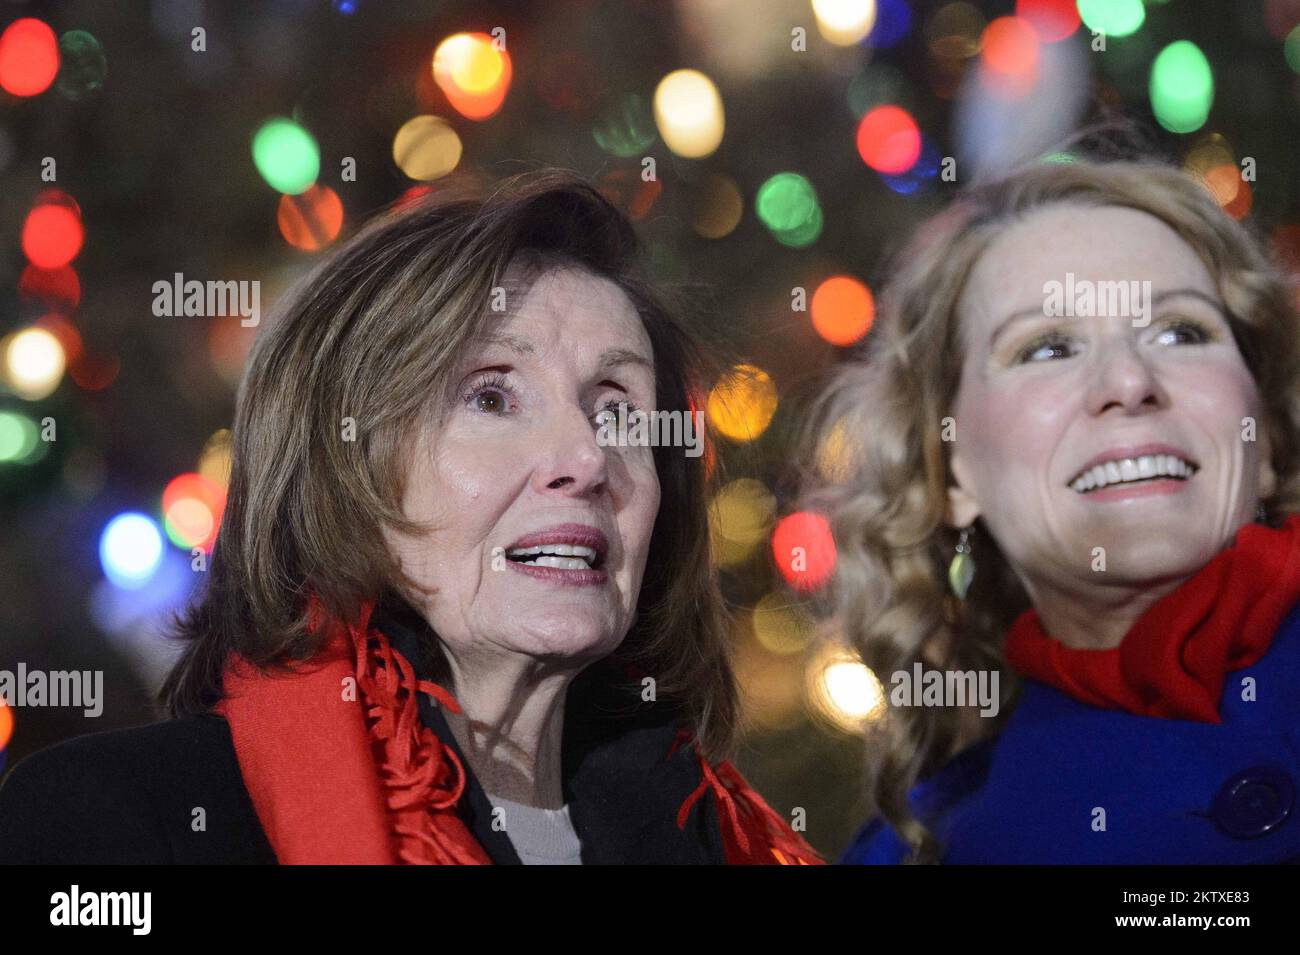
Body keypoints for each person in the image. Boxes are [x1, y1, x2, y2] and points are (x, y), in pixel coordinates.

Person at [0, 171, 821, 866]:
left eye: (618, 413)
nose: (587, 457)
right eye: (492, 395)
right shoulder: (114, 826)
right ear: (341, 466)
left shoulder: (717, 843)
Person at [802, 159, 1300, 863]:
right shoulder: (924, 850)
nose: (1128, 382)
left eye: (1179, 332)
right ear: (952, 474)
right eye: (1048, 346)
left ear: (1268, 437)